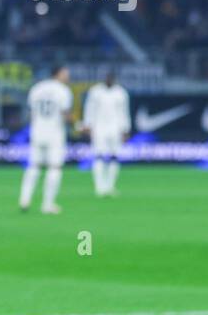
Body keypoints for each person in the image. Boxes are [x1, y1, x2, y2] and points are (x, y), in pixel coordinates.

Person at [20, 67, 74, 214]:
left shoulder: (37, 88)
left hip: (37, 131)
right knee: (54, 167)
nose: (67, 77)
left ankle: (24, 199)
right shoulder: (63, 91)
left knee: (34, 166)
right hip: (55, 133)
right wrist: (75, 125)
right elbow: (65, 114)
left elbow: (31, 112)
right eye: (65, 74)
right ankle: (47, 204)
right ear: (58, 74)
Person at [82, 71, 130, 197]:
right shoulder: (95, 91)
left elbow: (124, 112)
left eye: (111, 78)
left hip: (115, 128)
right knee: (98, 156)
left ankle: (110, 186)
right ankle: (99, 187)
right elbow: (89, 109)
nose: (109, 80)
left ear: (114, 79)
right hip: (99, 127)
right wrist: (88, 124)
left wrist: (125, 130)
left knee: (114, 156)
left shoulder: (121, 92)